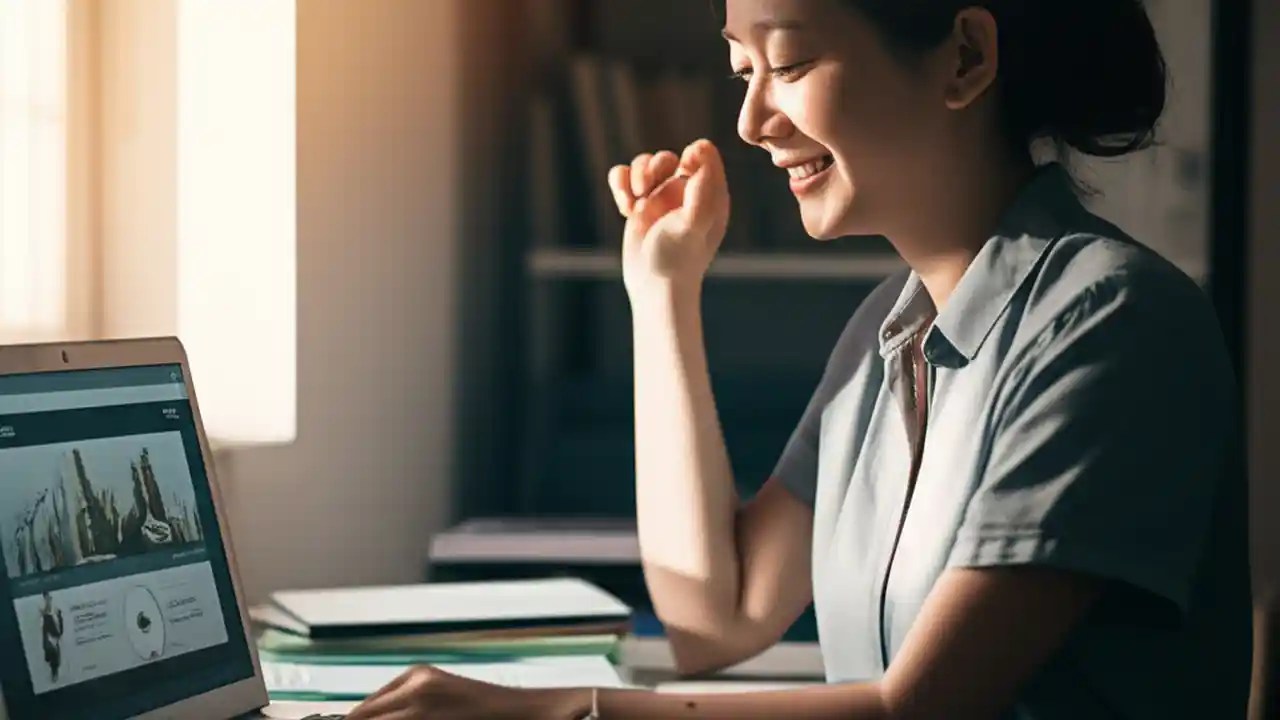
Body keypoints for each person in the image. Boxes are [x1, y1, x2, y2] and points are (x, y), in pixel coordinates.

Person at [347, 0, 1252, 717]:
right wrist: (661, 293)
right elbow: (715, 617)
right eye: (743, 69)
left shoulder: (1112, 321)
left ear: (966, 58)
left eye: (787, 64)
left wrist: (555, 713)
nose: (749, 120)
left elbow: (922, 710)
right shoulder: (883, 334)